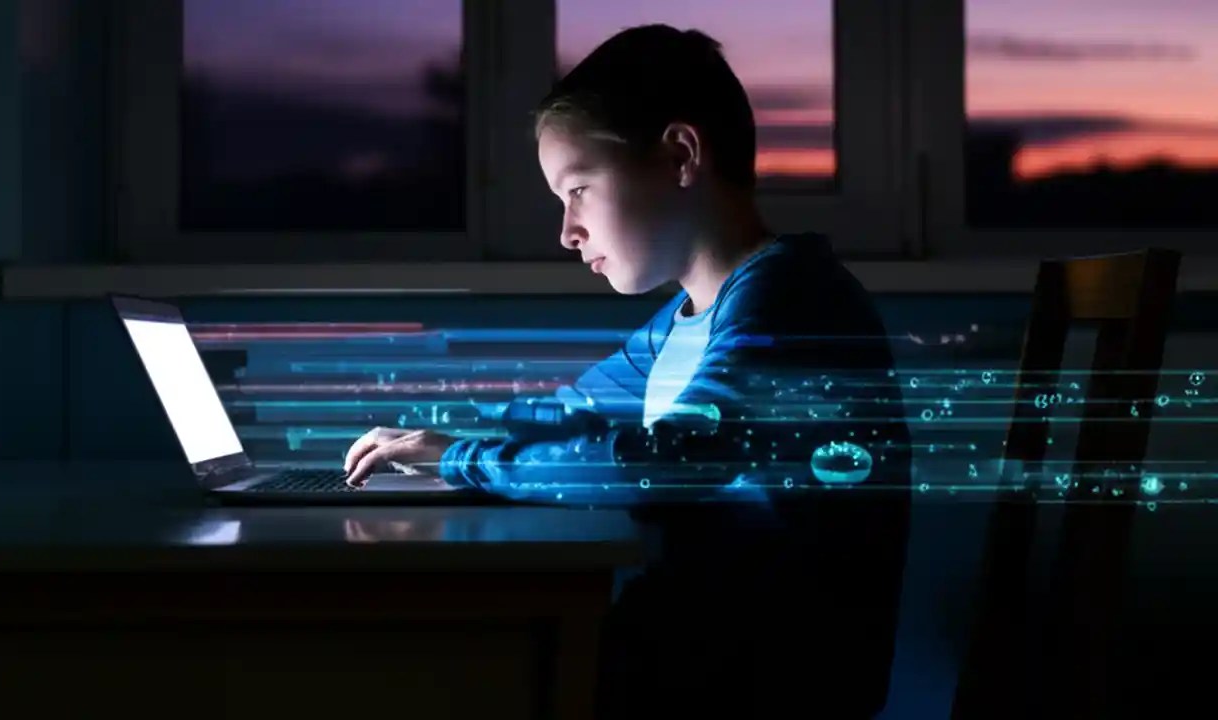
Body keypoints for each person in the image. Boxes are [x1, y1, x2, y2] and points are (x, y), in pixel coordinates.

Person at [342, 24, 912, 718]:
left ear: (680, 156)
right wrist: (433, 446)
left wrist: (464, 460)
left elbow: (660, 462)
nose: (567, 232)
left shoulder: (786, 298)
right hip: (684, 657)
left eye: (579, 188)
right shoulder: (683, 320)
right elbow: (566, 418)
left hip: (760, 685)